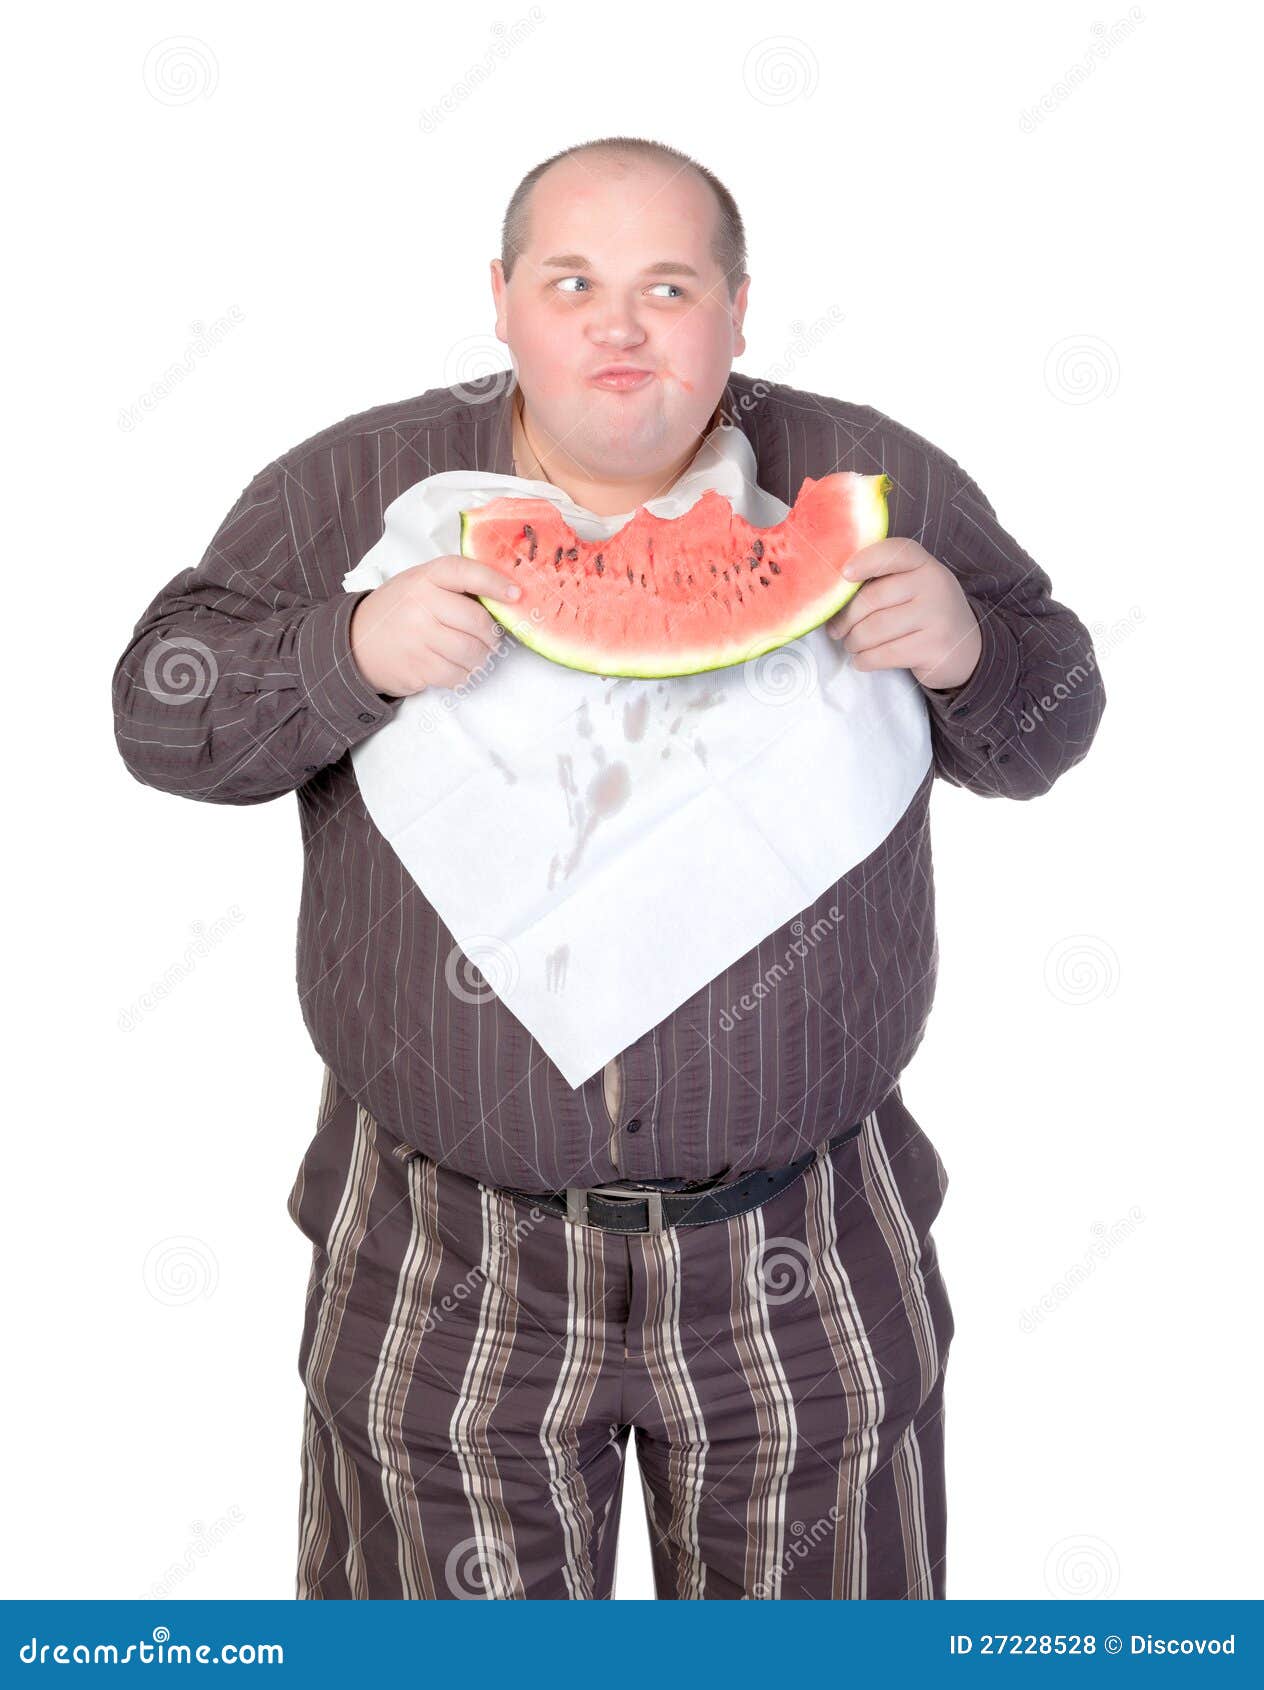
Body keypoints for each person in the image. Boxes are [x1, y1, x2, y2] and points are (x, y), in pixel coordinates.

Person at [110, 136, 1106, 1600]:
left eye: (669, 285)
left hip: (811, 1236)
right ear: (503, 299)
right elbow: (159, 712)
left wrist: (975, 650)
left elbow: (1051, 721)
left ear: (740, 310)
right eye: (573, 281)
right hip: (442, 1251)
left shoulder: (872, 477)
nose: (621, 327)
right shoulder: (350, 488)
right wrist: (348, 651)